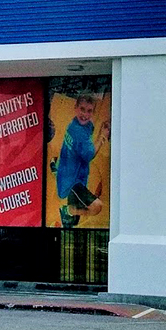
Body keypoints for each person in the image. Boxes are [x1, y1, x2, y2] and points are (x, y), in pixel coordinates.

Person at [53, 92, 109, 228]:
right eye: (82, 109)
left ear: (93, 112)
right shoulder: (79, 132)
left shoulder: (75, 124)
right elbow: (89, 154)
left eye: (89, 111)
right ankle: (68, 211)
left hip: (69, 174)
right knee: (97, 207)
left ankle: (69, 214)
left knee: (74, 222)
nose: (85, 114)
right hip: (73, 181)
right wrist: (102, 137)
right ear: (76, 108)